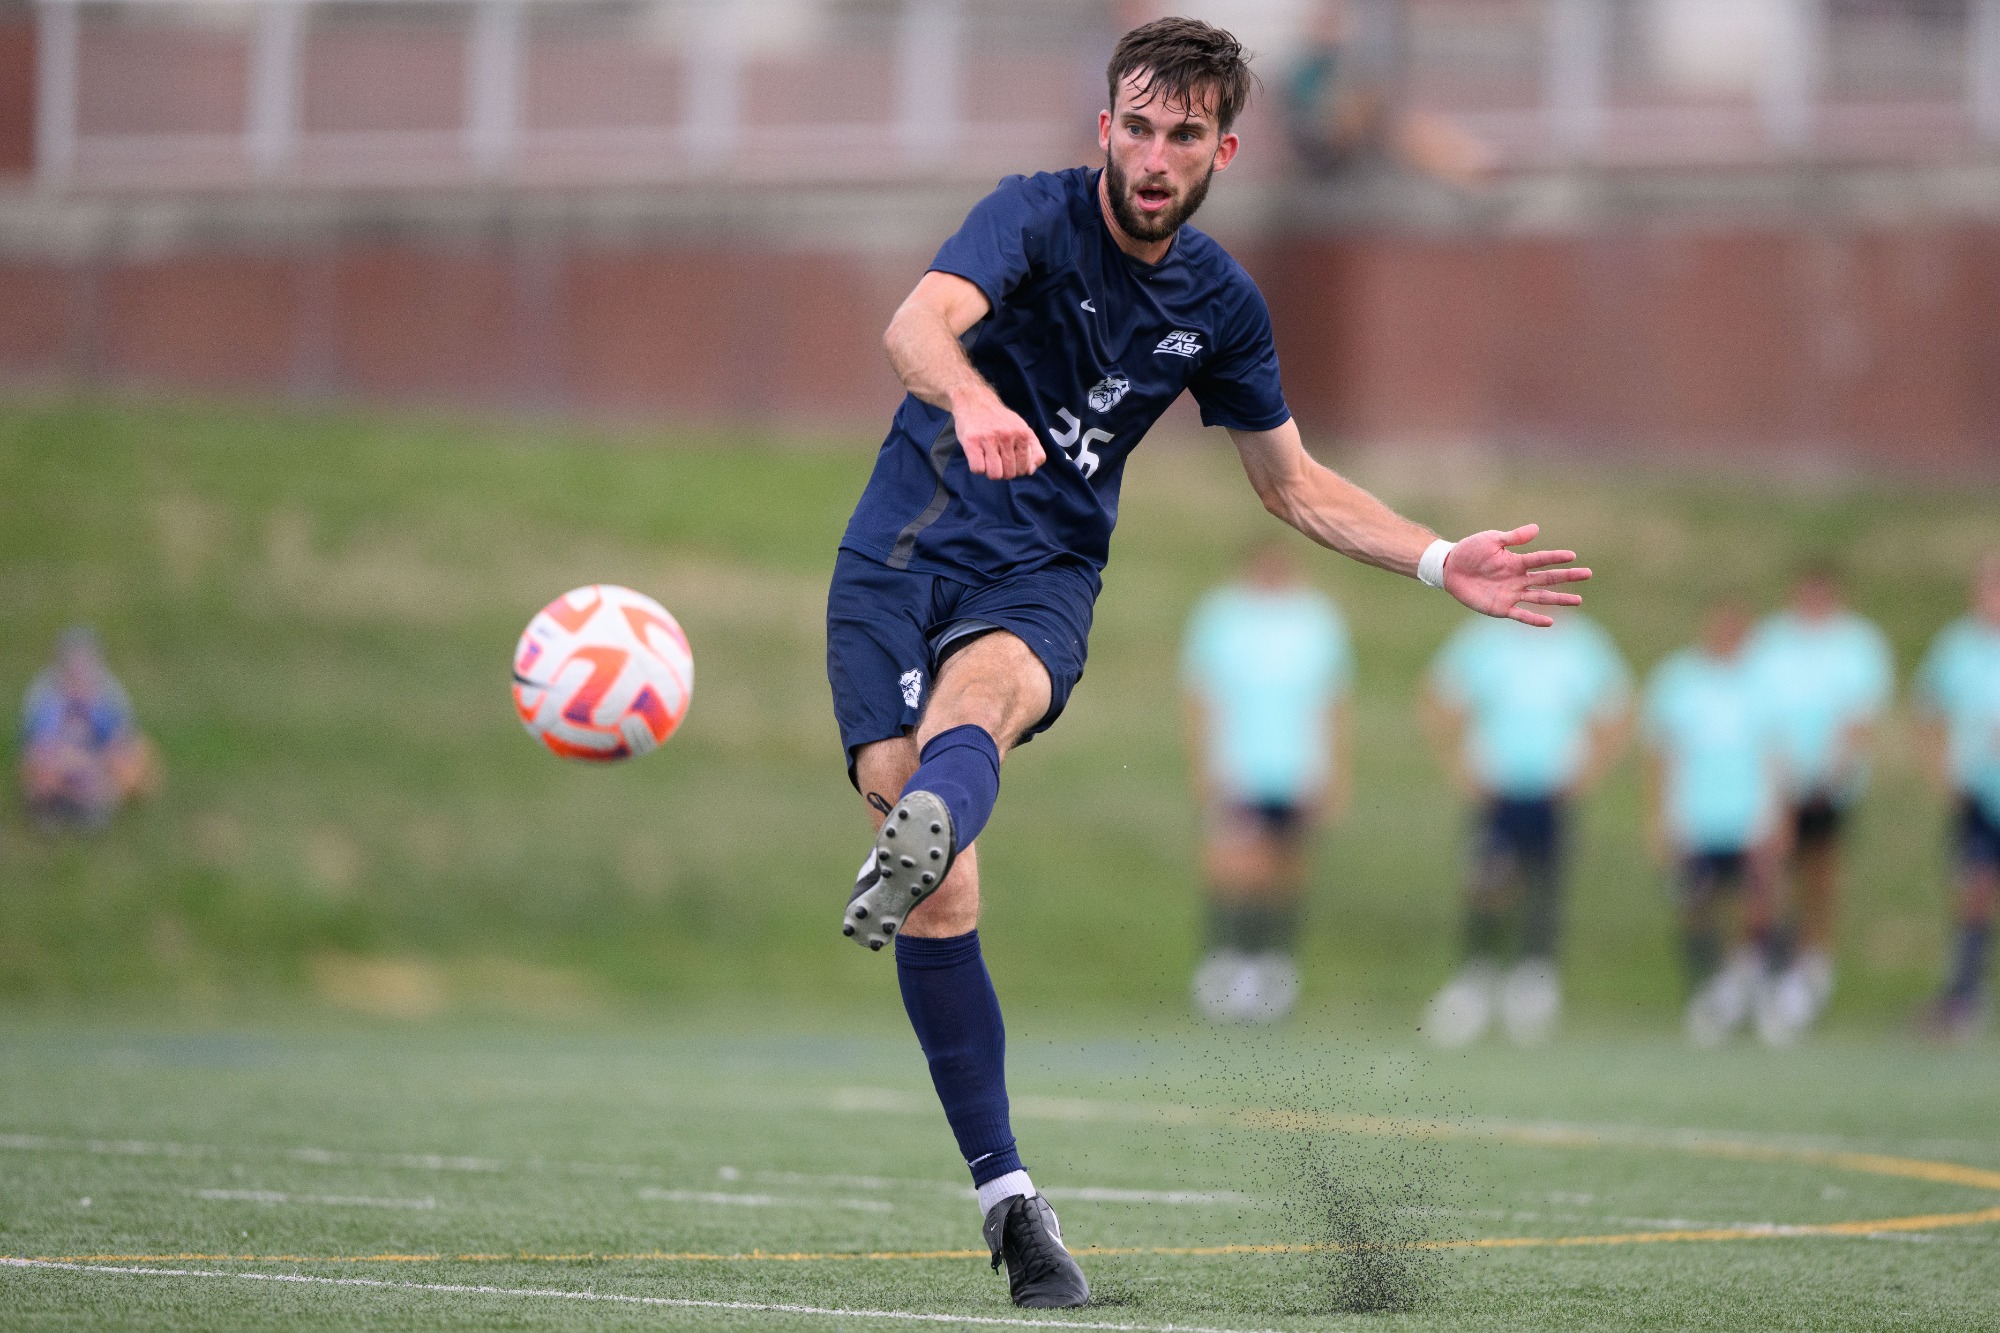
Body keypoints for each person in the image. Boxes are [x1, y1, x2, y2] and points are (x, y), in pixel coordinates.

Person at [824, 18, 1589, 1309]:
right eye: (1140, 125)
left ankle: (945, 828)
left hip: (1043, 569)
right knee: (931, 858)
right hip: (903, 548)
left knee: (982, 719)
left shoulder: (1219, 303)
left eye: (1187, 134)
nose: (1158, 152)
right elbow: (918, 324)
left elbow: (1290, 485)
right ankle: (1009, 1195)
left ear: (1223, 149)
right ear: (1105, 129)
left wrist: (1436, 556)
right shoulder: (1028, 217)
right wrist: (972, 397)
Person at [1418, 612, 1631, 1047]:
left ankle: (1533, 983)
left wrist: (1588, 771)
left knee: (1544, 883)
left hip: (1553, 789)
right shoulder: (1487, 639)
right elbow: (1437, 697)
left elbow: (1618, 708)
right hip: (1498, 787)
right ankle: (1477, 978)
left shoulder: (1581, 642)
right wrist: (1459, 766)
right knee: (1487, 883)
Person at [1180, 540, 1352, 1023]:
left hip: (1297, 768)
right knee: (1234, 869)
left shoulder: (1317, 620)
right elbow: (1200, 696)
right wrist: (1204, 767)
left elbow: (1332, 701)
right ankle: (1226, 960)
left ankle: (1273, 966)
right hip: (1239, 766)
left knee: (1285, 869)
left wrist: (1334, 772)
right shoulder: (1222, 616)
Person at [1744, 562, 1894, 1042]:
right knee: (1770, 872)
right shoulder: (1772, 640)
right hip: (1776, 780)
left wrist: (1831, 773)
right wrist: (1780, 775)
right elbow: (1759, 711)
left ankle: (1811, 965)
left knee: (1820, 871)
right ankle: (1771, 965)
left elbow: (1859, 716)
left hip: (1829, 783)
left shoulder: (1857, 645)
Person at [1641, 601, 1789, 1047]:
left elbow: (1776, 755)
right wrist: (1660, 816)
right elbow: (1661, 754)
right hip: (1696, 817)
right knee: (1697, 907)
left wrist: (1780, 815)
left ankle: (1759, 990)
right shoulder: (1680, 679)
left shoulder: (1763, 684)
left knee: (1758, 906)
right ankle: (1711, 991)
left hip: (1750, 817)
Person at [1910, 553, 2000, 1042]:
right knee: (1974, 892)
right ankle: (1965, 996)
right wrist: (1941, 772)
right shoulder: (1958, 646)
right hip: (1979, 794)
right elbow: (1927, 706)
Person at [19, 627, 158, 832]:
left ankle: (94, 806)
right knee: (43, 767)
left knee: (132, 757)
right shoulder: (44, 696)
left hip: (95, 758)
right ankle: (49, 807)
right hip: (58, 757)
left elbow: (118, 733)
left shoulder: (108, 694)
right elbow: (39, 739)